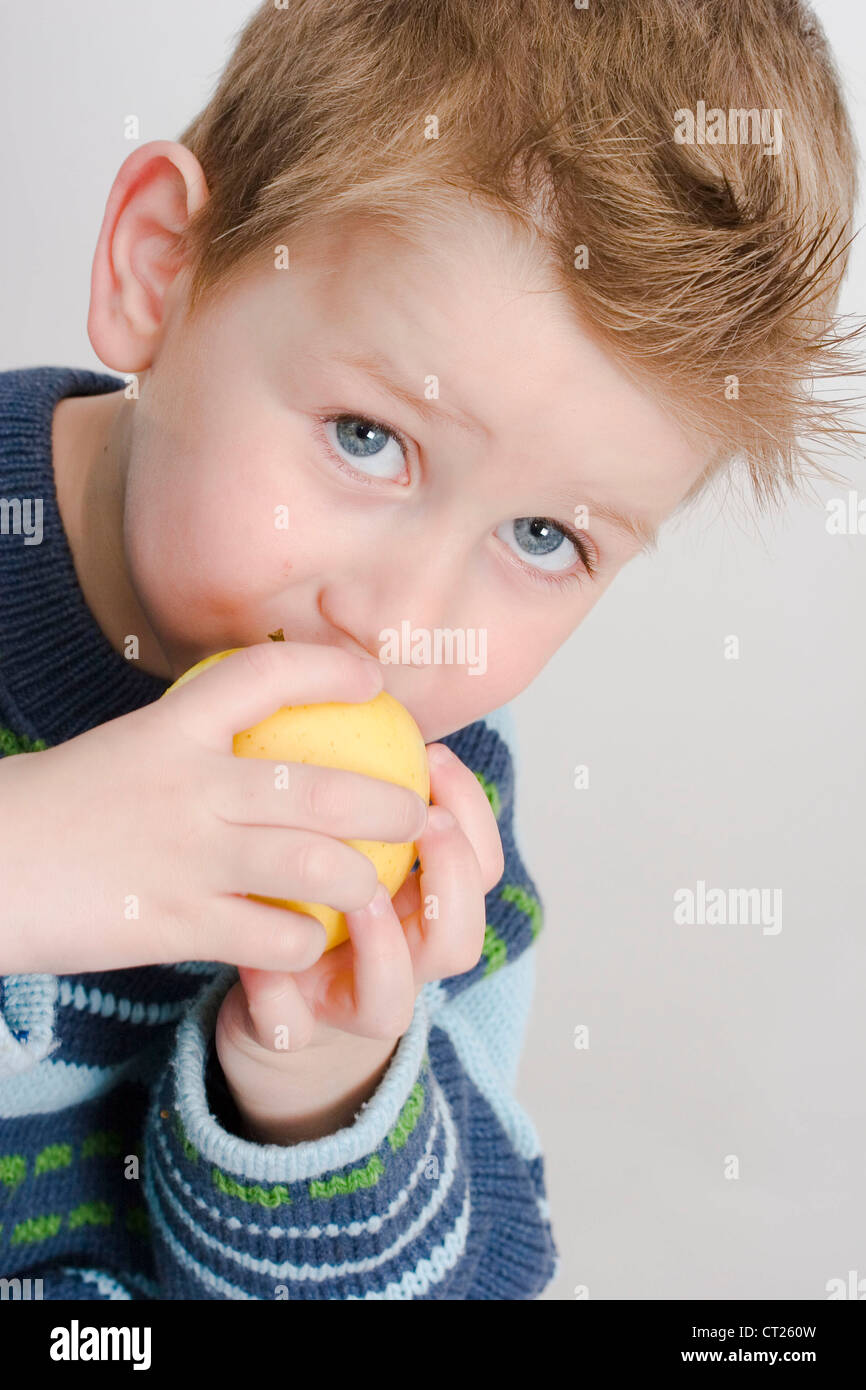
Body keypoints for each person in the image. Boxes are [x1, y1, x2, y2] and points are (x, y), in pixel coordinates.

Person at [0, 0, 860, 1299]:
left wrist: (317, 1088)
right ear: (160, 268)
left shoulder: (438, 825)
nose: (406, 618)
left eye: (539, 534)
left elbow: (479, 1279)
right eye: (365, 437)